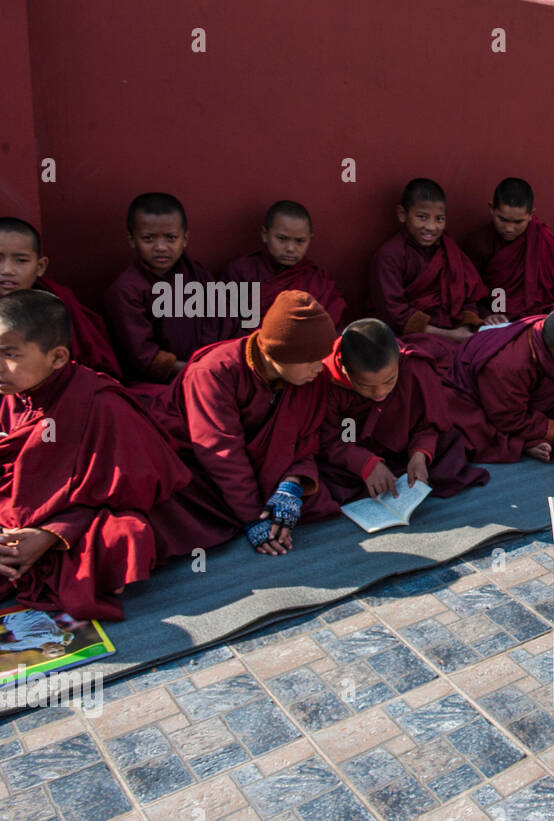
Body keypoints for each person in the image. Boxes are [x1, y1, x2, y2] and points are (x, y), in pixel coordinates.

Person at [0, 291, 192, 620]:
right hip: (15, 521)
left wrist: (52, 534)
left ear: (57, 357)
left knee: (126, 536)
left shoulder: (102, 403)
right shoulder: (10, 393)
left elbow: (136, 492)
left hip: (76, 525)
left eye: (10, 354)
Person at [153, 290, 340, 556]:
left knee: (321, 498)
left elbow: (307, 439)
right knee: (176, 511)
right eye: (310, 361)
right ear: (278, 354)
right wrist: (253, 516)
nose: (319, 368)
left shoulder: (311, 378)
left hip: (261, 464)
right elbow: (220, 452)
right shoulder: (213, 373)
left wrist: (292, 483)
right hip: (198, 464)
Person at [317, 318, 488, 503]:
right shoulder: (328, 381)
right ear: (343, 367)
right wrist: (365, 464)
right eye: (365, 386)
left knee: (449, 447)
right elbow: (330, 439)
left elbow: (428, 420)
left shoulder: (412, 366)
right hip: (352, 448)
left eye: (389, 381)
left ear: (398, 359)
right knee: (327, 479)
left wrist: (420, 455)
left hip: (401, 443)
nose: (380, 393)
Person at [443, 304, 554, 464]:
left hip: (517, 392)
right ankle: (522, 443)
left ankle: (531, 437)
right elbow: (508, 418)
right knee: (474, 432)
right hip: (479, 394)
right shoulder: (509, 366)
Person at [103, 192, 241, 384]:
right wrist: (199, 371)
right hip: (162, 383)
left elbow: (226, 322)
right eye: (148, 239)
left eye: (170, 238)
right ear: (132, 239)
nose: (161, 247)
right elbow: (144, 357)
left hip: (214, 369)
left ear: (185, 238)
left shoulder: (195, 274)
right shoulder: (127, 291)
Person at [368, 178, 494, 347]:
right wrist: (451, 336)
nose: (431, 227)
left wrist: (465, 328)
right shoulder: (390, 256)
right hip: (411, 339)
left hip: (457, 331)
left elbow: (467, 296)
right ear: (402, 214)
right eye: (422, 217)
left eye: (439, 219)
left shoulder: (450, 250)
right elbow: (396, 316)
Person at [0, 218, 121, 378]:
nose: (7, 270)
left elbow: (91, 360)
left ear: (40, 267)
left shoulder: (57, 299)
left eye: (21, 260)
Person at [462, 177, 554, 322]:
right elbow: (468, 290)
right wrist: (486, 316)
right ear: (491, 209)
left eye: (518, 222)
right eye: (502, 219)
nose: (509, 229)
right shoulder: (479, 242)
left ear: (531, 215)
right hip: (497, 316)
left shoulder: (542, 239)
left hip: (540, 319)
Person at [223, 200, 348, 330]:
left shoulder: (318, 280)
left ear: (310, 239)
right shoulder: (242, 271)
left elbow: (330, 330)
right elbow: (226, 326)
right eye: (282, 238)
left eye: (300, 241)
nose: (290, 248)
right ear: (265, 235)